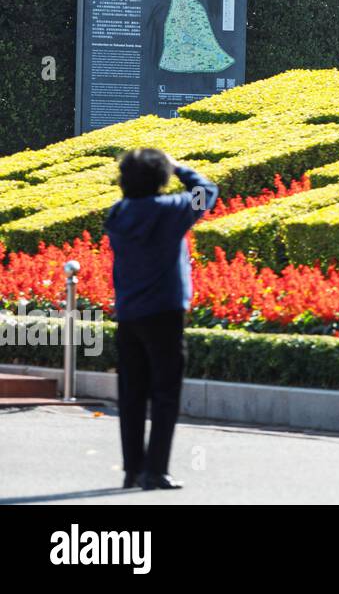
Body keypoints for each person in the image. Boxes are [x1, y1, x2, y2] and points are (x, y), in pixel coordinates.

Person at [104, 148, 218, 491]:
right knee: (165, 394)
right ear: (161, 178)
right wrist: (181, 167)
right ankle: (156, 471)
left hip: (128, 313)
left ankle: (133, 470)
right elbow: (207, 193)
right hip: (165, 312)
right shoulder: (171, 210)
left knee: (131, 394)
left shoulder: (117, 214)